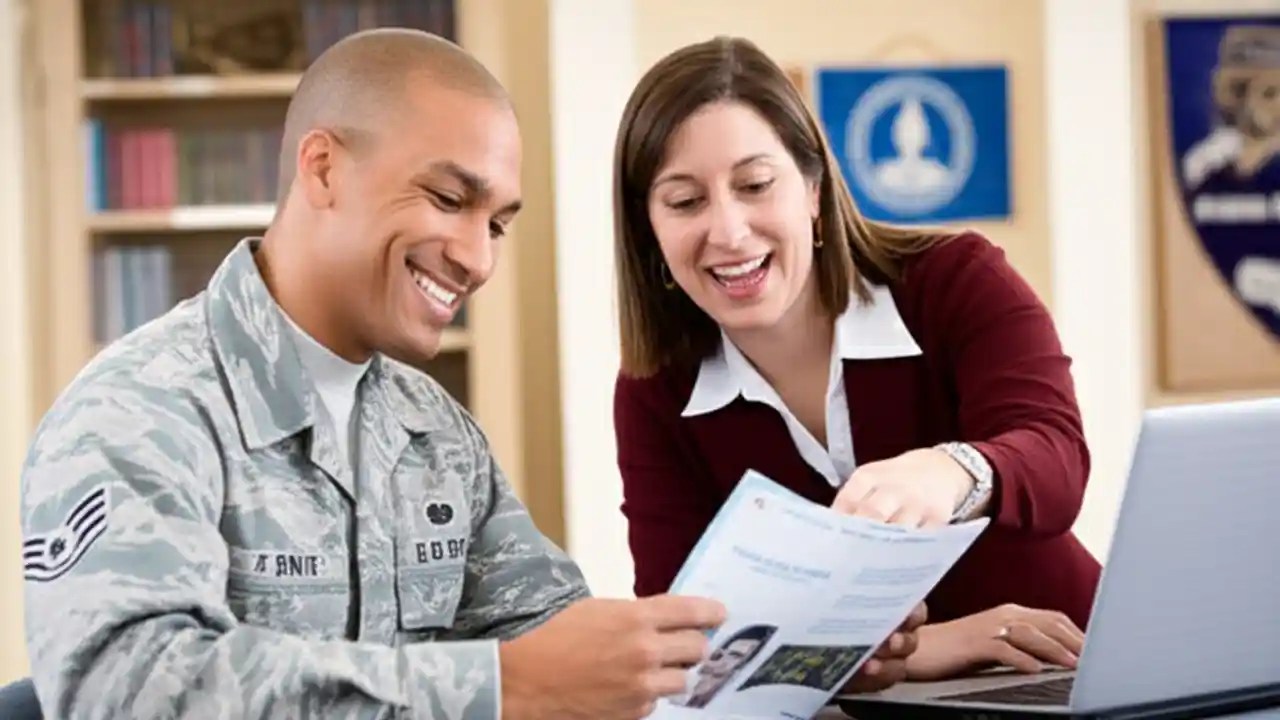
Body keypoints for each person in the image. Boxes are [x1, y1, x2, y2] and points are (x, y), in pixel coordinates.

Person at [19, 29, 743, 720]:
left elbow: (552, 636)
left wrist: (720, 654)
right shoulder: (140, 409)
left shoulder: (435, 429)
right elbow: (125, 691)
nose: (478, 259)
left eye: (495, 224)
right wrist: (500, 688)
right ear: (324, 168)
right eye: (449, 200)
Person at [611, 35, 1096, 684]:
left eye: (755, 185)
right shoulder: (657, 390)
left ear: (813, 190)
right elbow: (687, 638)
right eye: (685, 201)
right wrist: (926, 649)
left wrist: (951, 471)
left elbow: (1057, 460)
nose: (728, 231)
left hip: (1068, 672)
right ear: (649, 230)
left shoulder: (953, 282)